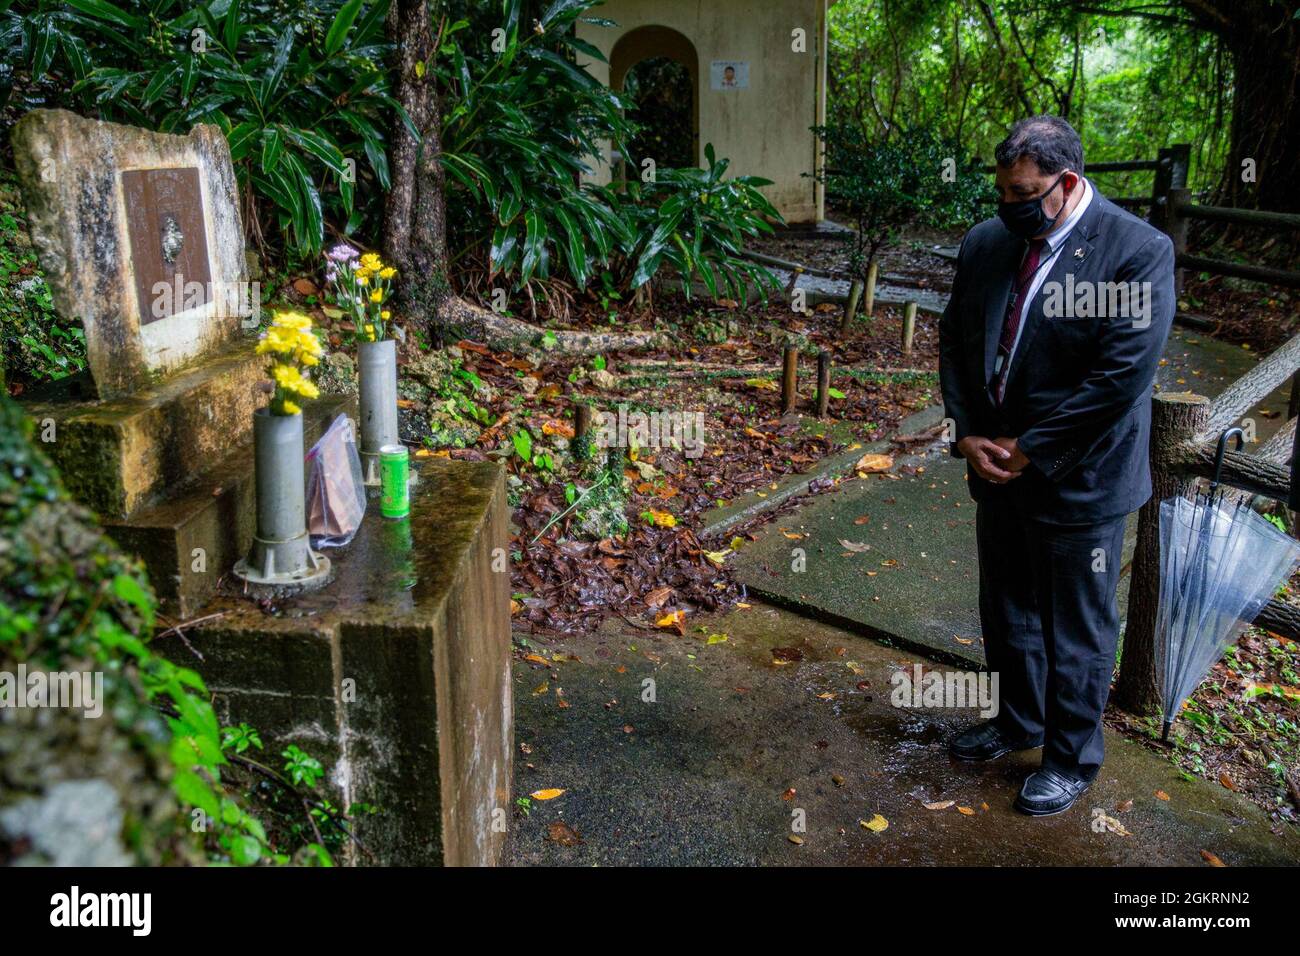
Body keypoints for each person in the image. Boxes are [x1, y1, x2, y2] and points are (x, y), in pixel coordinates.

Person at [938, 115, 1175, 815]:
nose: (1008, 204)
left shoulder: (1136, 251)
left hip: (1083, 477)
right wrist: (966, 434)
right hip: (993, 463)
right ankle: (1018, 721)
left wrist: (1032, 446)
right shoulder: (987, 244)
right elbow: (955, 340)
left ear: (1066, 185)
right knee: (1005, 608)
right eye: (1002, 190)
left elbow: (1120, 377)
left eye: (1024, 192)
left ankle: (1071, 758)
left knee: (1076, 628)